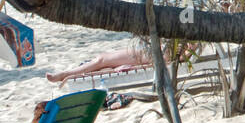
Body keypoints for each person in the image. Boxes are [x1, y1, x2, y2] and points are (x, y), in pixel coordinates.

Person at [46, 38, 196, 84]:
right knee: (101, 59)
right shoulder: (184, 43)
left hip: (138, 58)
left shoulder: (186, 49)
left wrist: (132, 66)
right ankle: (65, 73)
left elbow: (170, 61)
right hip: (139, 54)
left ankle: (64, 74)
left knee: (101, 60)